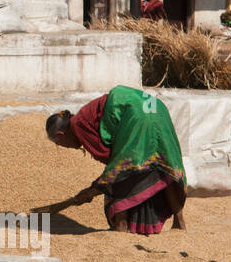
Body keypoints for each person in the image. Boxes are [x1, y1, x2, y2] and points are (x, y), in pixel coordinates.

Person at [45, 84, 187, 234]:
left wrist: (91, 191)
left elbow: (115, 163)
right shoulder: (83, 116)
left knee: (119, 175)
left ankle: (121, 225)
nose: (64, 147)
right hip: (158, 110)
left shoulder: (79, 126)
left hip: (137, 117)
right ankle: (180, 223)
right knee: (165, 169)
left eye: (59, 144)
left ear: (61, 134)